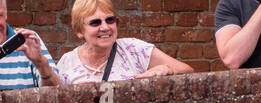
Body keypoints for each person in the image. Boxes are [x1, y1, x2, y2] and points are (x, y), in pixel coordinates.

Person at [57, 2, 194, 82]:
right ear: (79, 31)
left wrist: (166, 69)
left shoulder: (133, 49)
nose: (105, 27)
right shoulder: (67, 62)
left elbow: (188, 71)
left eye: (110, 20)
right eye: (95, 22)